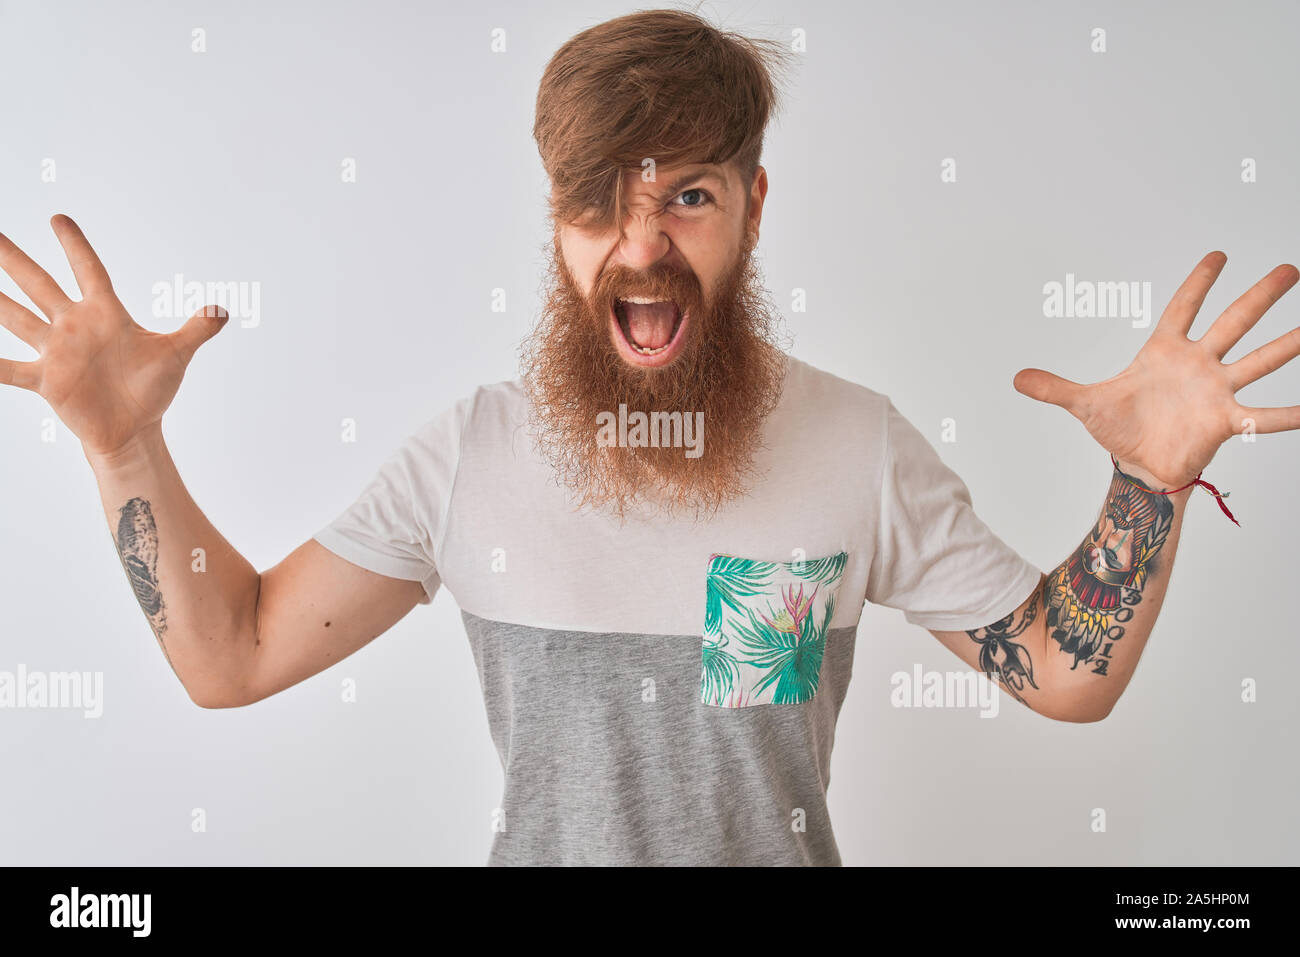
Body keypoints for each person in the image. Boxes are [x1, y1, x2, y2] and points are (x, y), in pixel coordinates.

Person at [1, 9, 1296, 866]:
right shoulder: (470, 455)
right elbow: (231, 654)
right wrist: (123, 449)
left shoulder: (859, 448)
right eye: (600, 206)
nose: (643, 247)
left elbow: (1064, 672)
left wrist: (1146, 484)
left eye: (688, 195)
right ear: (557, 222)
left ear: (753, 204)